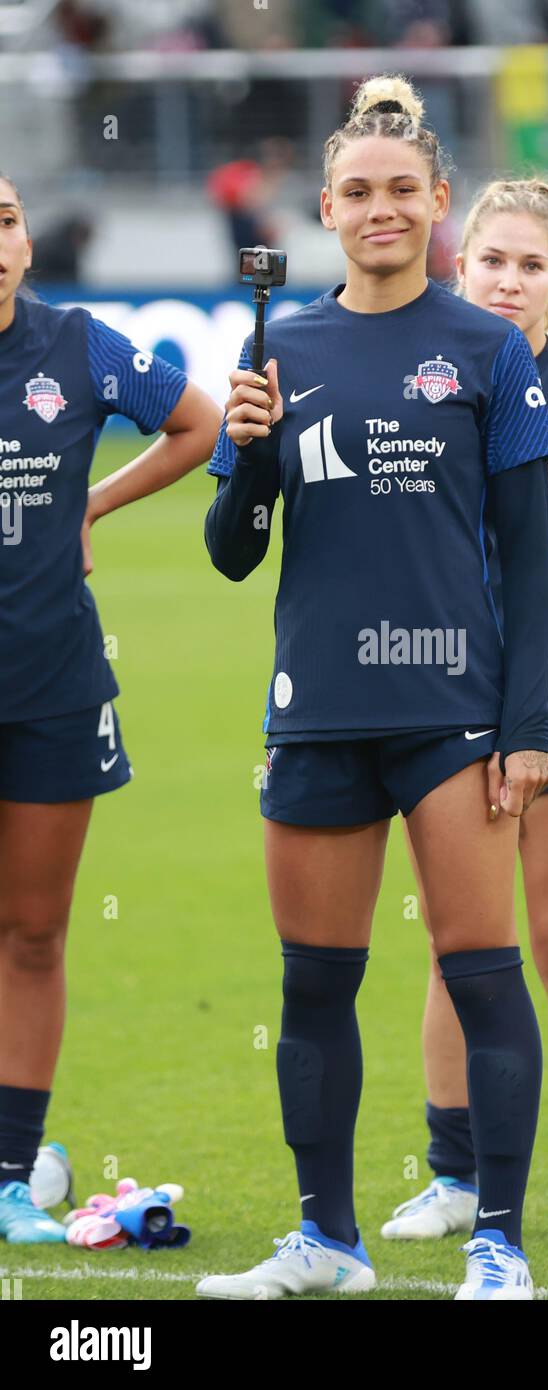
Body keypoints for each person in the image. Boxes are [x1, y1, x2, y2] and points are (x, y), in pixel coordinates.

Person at [197, 75, 548, 1302]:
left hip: (454, 720)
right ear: (327, 207)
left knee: (482, 973)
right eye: (358, 192)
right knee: (314, 985)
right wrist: (245, 460)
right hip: (317, 715)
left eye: (404, 190)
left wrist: (527, 731)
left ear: (439, 201)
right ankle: (327, 1241)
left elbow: (533, 560)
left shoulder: (489, 349)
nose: (382, 209)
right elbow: (234, 551)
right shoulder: (279, 346)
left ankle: (497, 1244)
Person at [380, 177, 548, 1247]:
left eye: (533, 265)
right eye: (493, 260)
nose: (510, 279)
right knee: (460, 947)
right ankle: (452, 1175)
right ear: (460, 265)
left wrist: (496, 411)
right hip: (448, 695)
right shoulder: (422, 379)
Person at [0, 172, 222, 1244]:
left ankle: (9, 1170)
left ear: (27, 241)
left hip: (52, 684)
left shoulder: (78, 346)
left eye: (2, 221)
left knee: (34, 933)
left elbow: (198, 422)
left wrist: (94, 498)